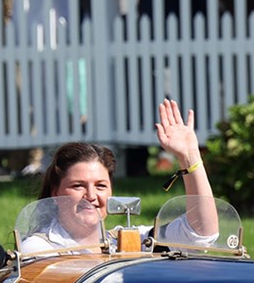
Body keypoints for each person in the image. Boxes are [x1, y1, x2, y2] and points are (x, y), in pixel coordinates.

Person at [19, 100, 217, 254]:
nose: (91, 195)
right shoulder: (39, 249)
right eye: (78, 185)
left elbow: (200, 235)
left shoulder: (125, 242)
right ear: (56, 192)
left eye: (101, 186)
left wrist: (189, 157)